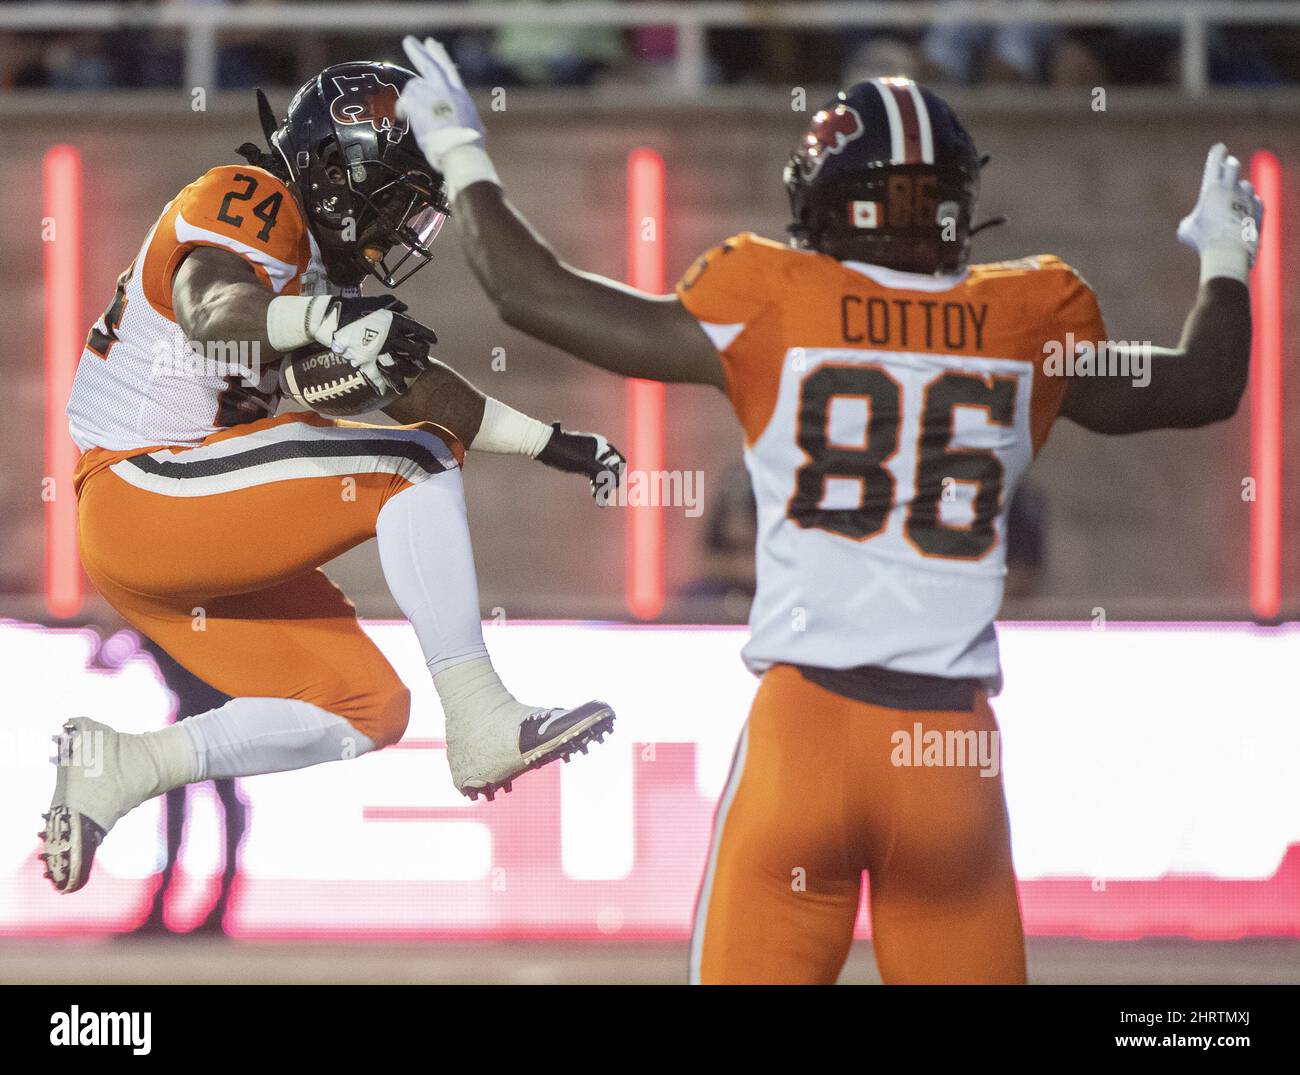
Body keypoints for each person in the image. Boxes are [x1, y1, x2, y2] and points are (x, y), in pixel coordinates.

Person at [396, 39, 1263, 983]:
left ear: (820, 200)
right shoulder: (1029, 321)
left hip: (806, 736)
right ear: (957, 204)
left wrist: (460, 150)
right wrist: (1227, 250)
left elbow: (530, 292)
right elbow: (1205, 384)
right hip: (950, 756)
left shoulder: (773, 298)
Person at [41, 60, 625, 896]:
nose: (401, 227)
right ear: (336, 166)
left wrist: (549, 441)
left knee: (366, 707)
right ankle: (483, 715)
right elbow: (214, 314)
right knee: (410, 464)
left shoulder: (320, 270)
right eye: (394, 199)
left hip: (178, 518)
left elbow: (412, 390)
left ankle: (124, 763)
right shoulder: (247, 194)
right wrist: (321, 316)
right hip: (143, 488)